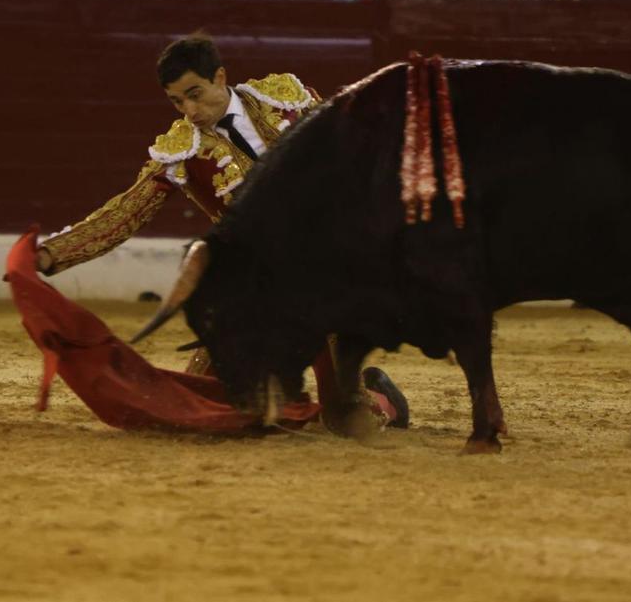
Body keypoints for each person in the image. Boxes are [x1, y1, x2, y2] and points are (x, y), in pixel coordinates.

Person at [35, 34, 410, 426]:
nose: (190, 110)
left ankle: (383, 402)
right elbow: (126, 212)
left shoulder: (287, 99)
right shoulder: (182, 149)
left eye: (195, 94)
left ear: (220, 77)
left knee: (348, 420)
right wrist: (52, 252)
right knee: (196, 406)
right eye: (178, 101)